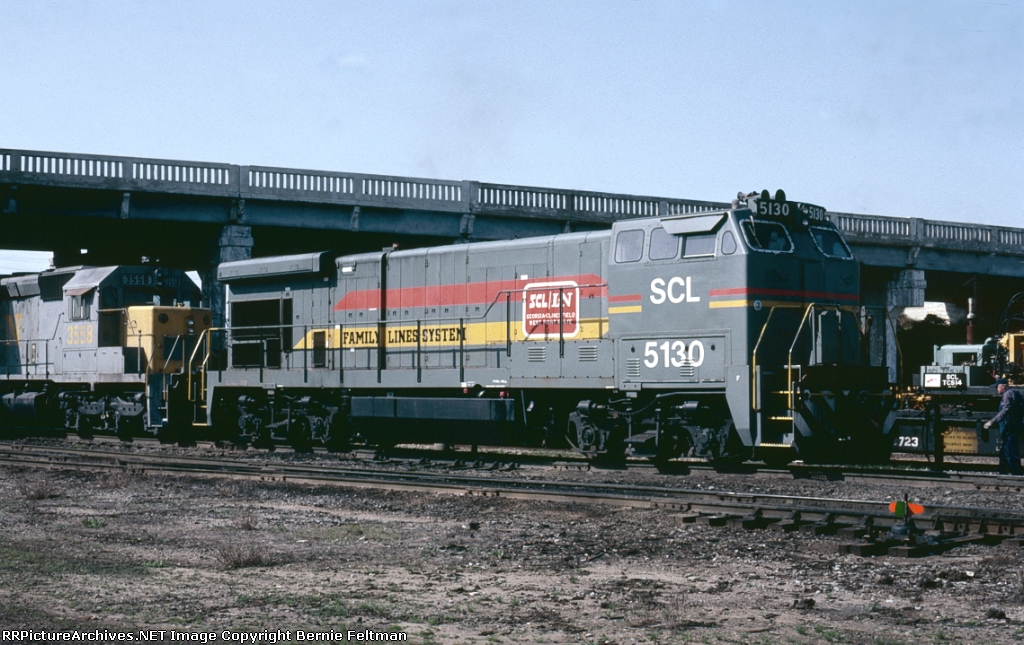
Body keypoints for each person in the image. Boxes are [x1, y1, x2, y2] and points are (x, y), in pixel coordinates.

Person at [984, 378, 1024, 476]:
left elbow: (1005, 411)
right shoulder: (1015, 392)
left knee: (1009, 450)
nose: (996, 389)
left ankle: (1015, 474)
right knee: (1010, 450)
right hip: (1016, 425)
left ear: (1003, 386)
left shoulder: (1007, 394)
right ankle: (1007, 472)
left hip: (1010, 426)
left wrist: (992, 421)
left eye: (997, 387)